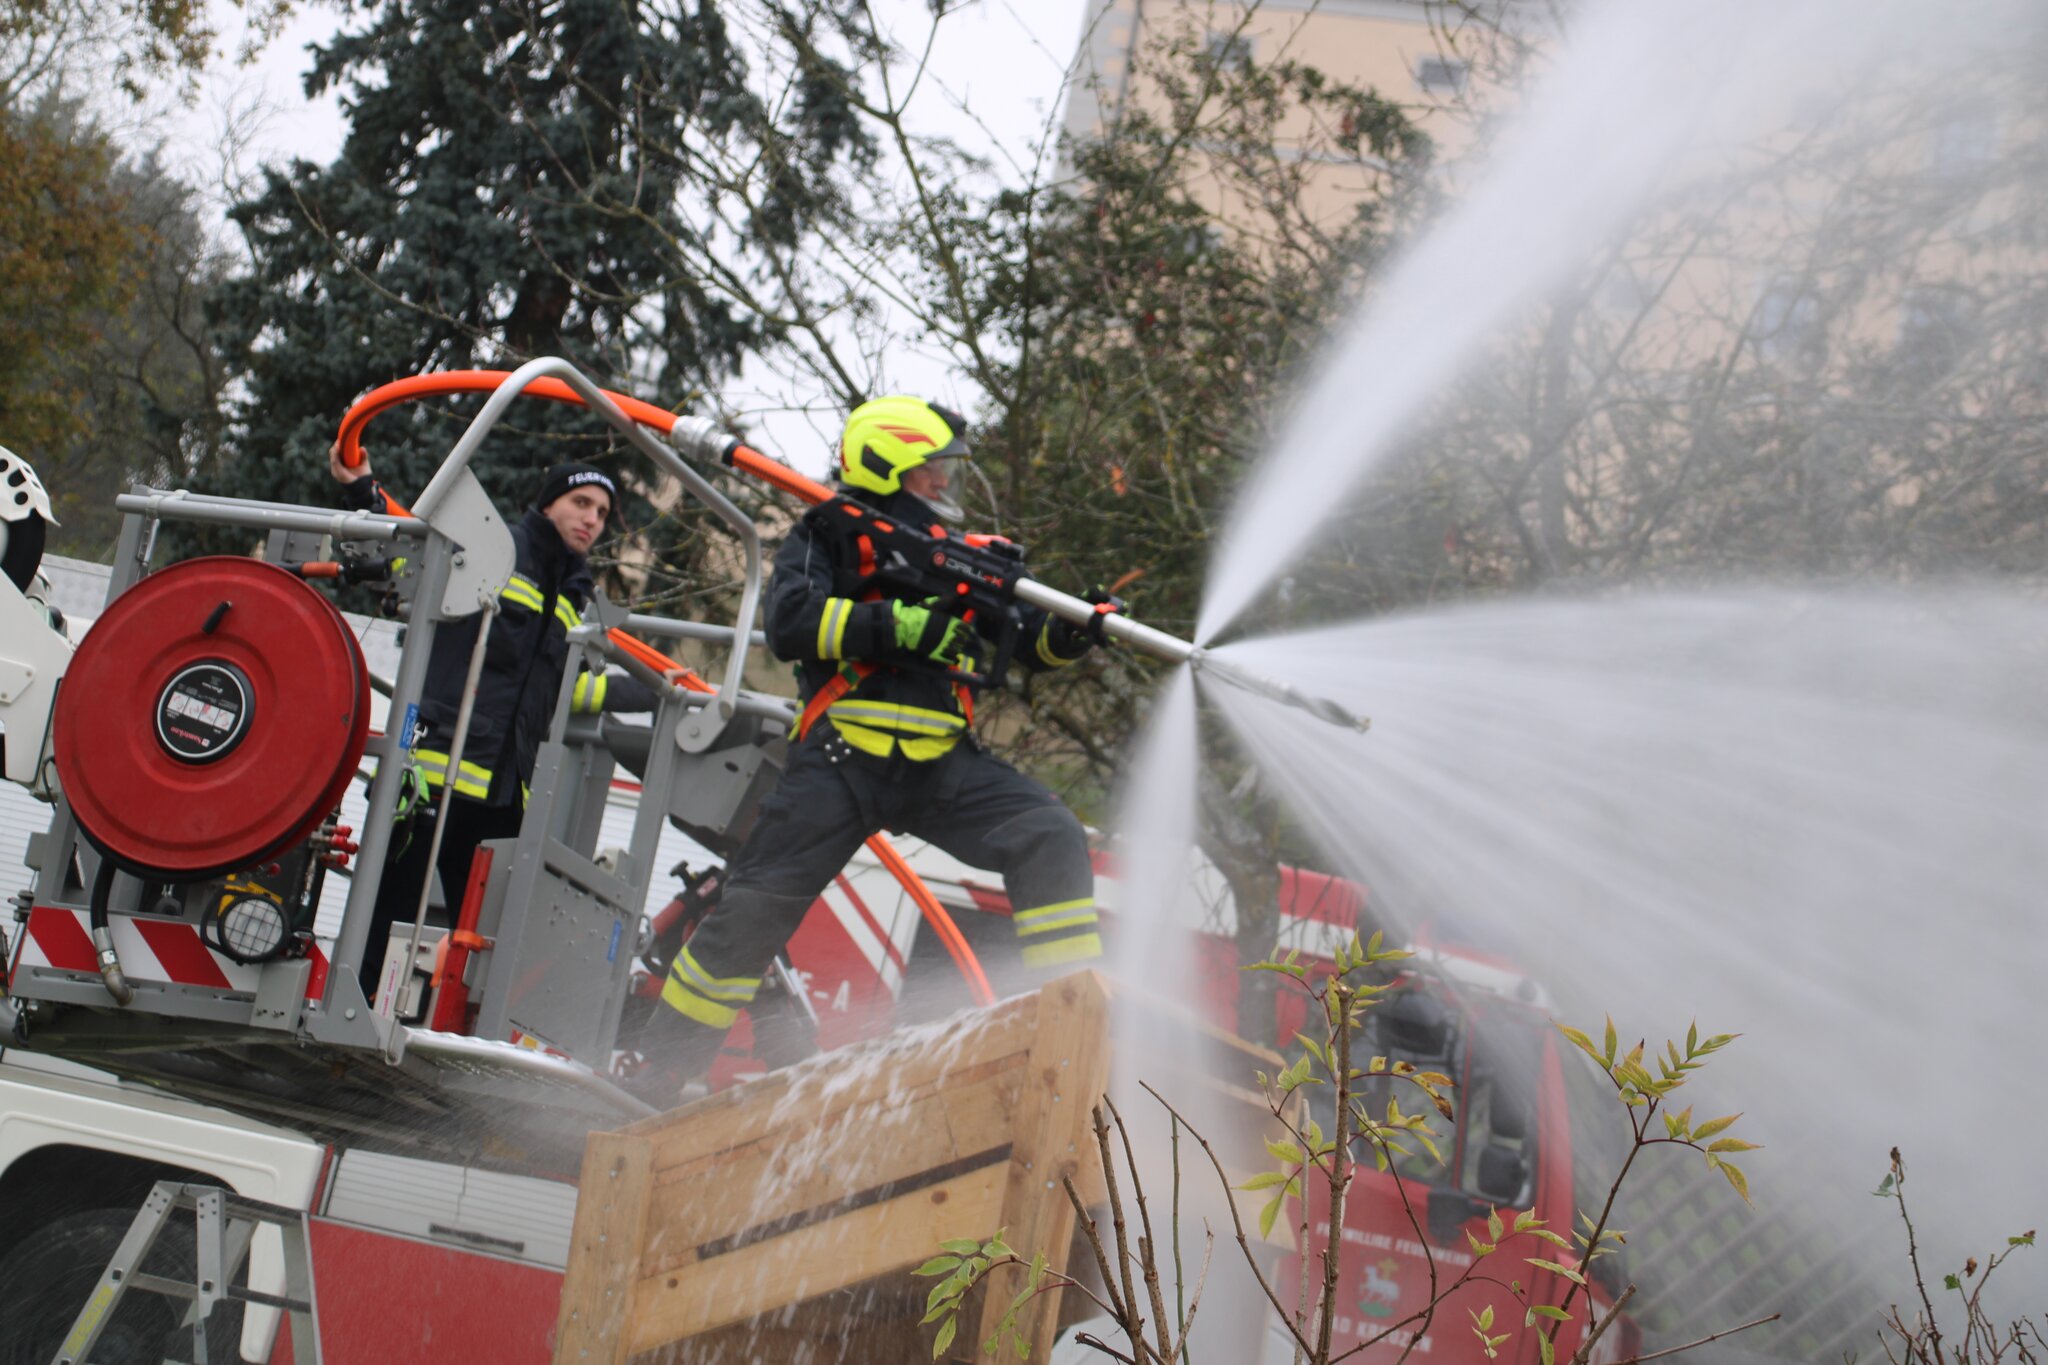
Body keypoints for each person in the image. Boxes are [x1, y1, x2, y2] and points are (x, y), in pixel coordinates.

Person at [636, 395, 1111, 1099]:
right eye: (932, 469)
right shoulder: (827, 534)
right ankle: (660, 1071)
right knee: (751, 914)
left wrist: (1068, 633)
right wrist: (896, 626)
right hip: (839, 760)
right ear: (891, 465)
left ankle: (1067, 1031)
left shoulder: (958, 557)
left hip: (940, 766)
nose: (945, 482)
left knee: (1050, 834)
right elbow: (791, 620)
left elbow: (1020, 633)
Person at [331, 449, 657, 1009]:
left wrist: (655, 691)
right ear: (549, 502)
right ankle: (349, 1015)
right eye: (581, 503)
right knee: (387, 910)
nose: (592, 519)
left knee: (488, 936)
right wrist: (363, 491)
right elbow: (413, 555)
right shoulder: (494, 549)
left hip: (503, 791)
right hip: (435, 772)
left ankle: (455, 1042)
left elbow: (562, 688)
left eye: (602, 513)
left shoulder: (573, 592)